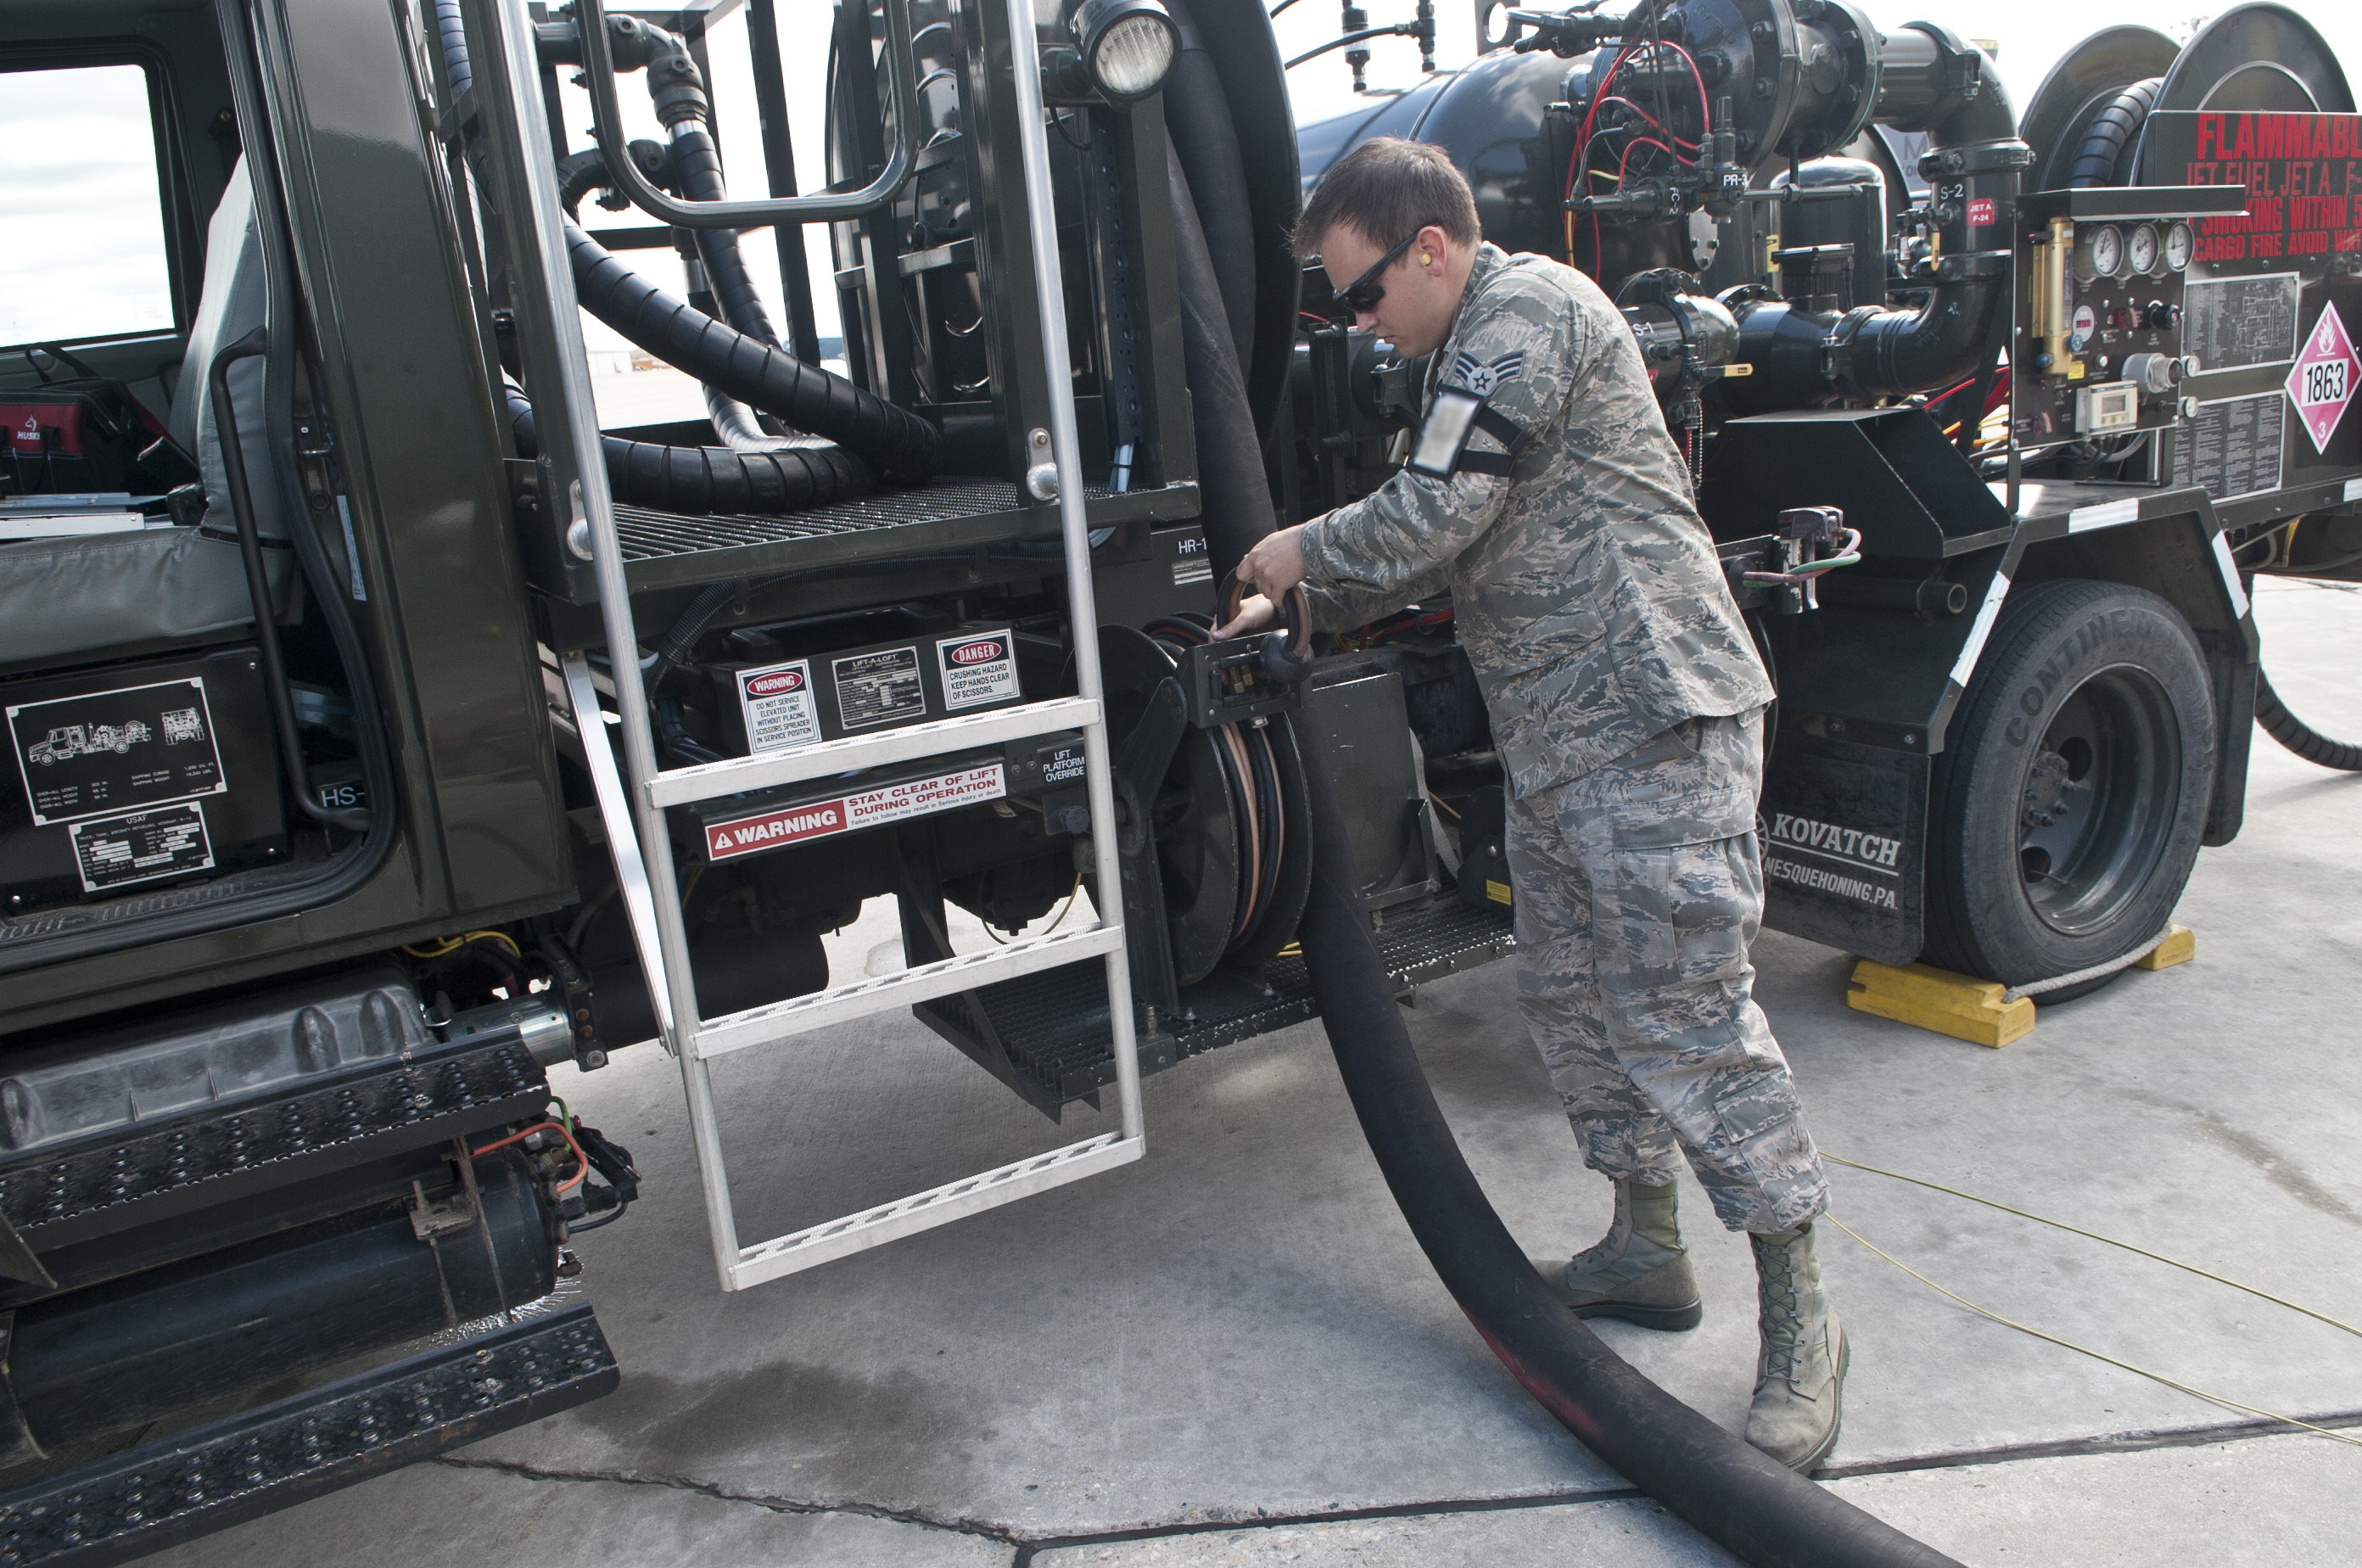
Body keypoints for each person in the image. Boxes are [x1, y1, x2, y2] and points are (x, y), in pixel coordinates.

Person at [1215, 137, 1844, 1470]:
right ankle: (1647, 1249)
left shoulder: (1527, 314)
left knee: (1685, 1013)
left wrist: (1296, 550)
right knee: (1569, 998)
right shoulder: (1455, 357)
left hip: (1655, 718)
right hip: (1562, 742)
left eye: (1362, 293)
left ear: (1429, 246)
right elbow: (1437, 548)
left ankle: (1802, 1321)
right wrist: (1310, 604)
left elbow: (1432, 510)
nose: (1359, 326)